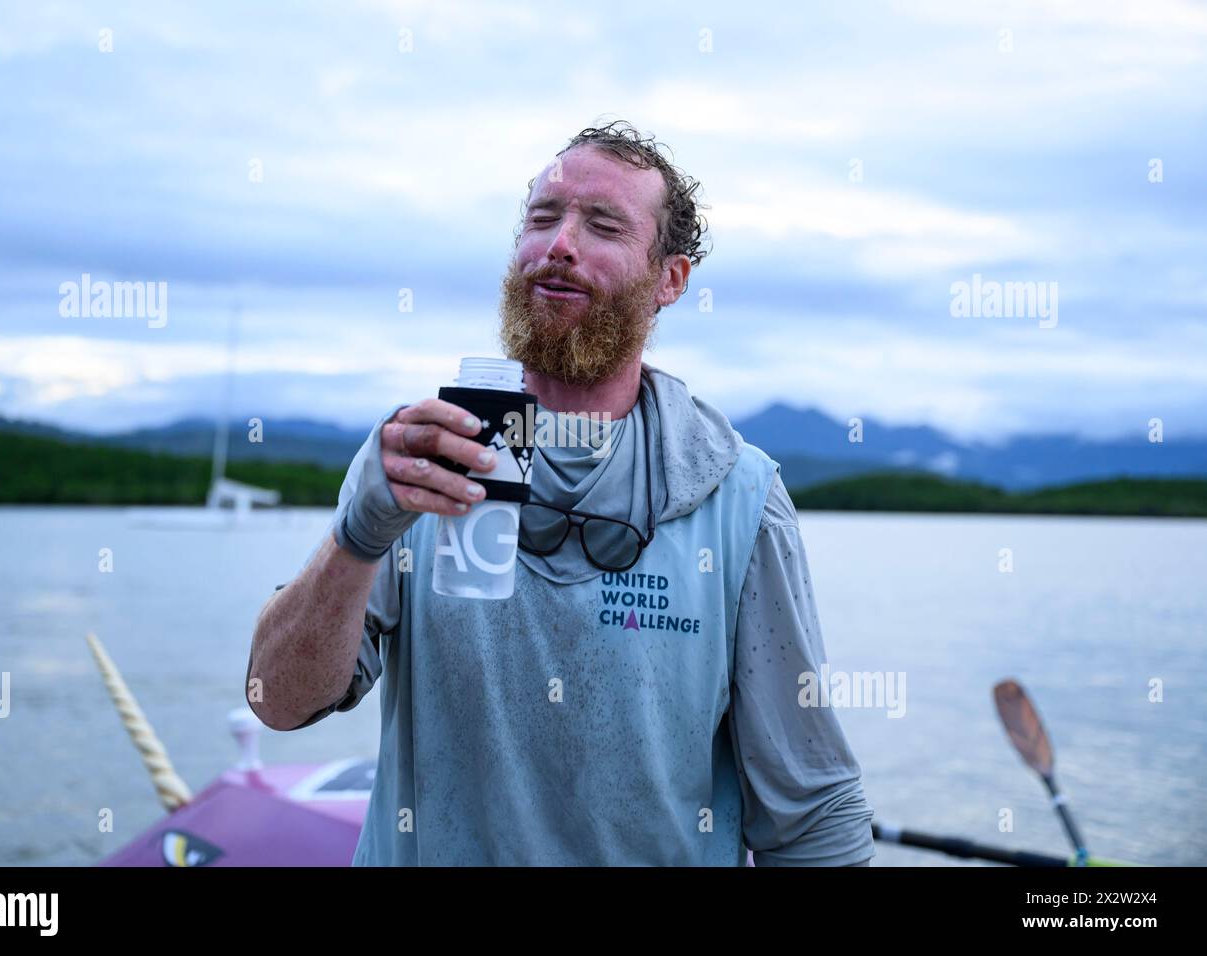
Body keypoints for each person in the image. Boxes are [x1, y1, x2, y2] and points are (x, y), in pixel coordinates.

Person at [246, 120, 875, 866]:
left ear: (670, 280)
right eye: (542, 219)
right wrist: (361, 532)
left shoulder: (737, 499)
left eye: (602, 225)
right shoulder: (417, 458)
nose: (559, 243)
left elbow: (813, 812)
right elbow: (277, 702)